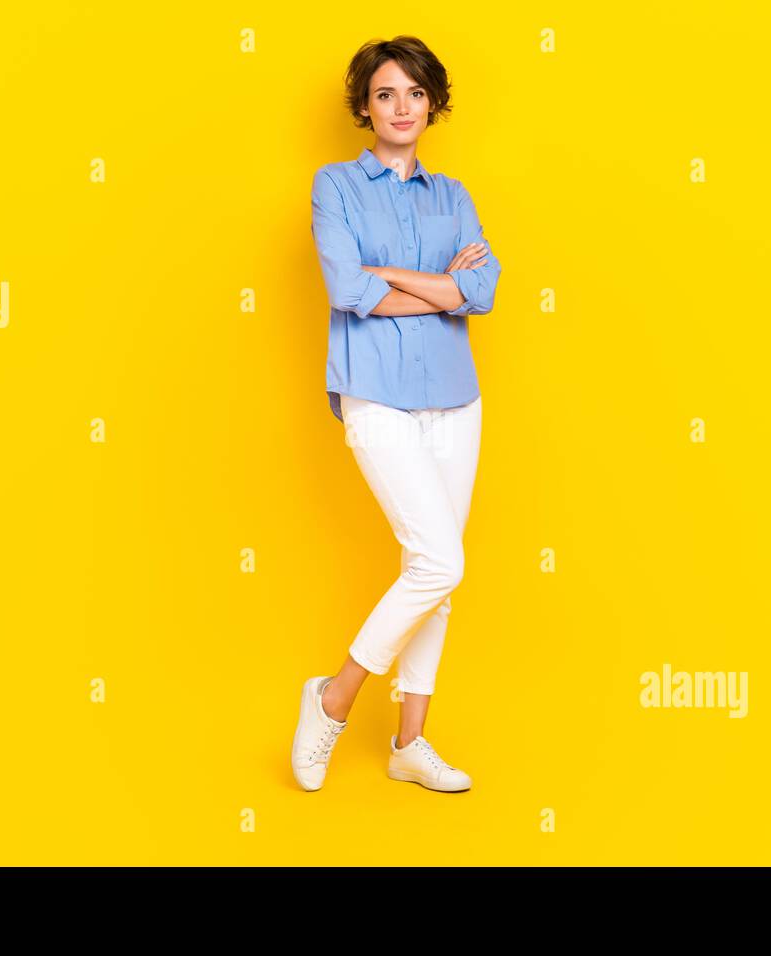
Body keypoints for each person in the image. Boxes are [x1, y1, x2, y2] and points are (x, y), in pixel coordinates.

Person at [292, 36, 502, 793]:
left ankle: (410, 745)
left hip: (455, 395)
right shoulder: (335, 186)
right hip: (374, 390)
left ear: (432, 103)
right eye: (386, 95)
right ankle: (334, 696)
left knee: (437, 576)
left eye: (414, 94)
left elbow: (482, 291)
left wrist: (400, 280)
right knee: (439, 560)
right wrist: (439, 284)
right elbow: (348, 287)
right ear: (364, 107)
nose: (401, 107)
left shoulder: (453, 197)